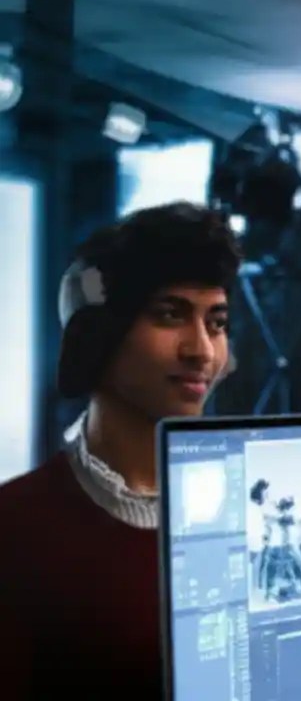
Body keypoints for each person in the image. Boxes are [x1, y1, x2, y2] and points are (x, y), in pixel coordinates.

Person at [0, 203, 241, 698]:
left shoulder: (247, 515)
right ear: (96, 336)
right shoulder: (14, 529)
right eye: (171, 315)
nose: (201, 351)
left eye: (215, 323)